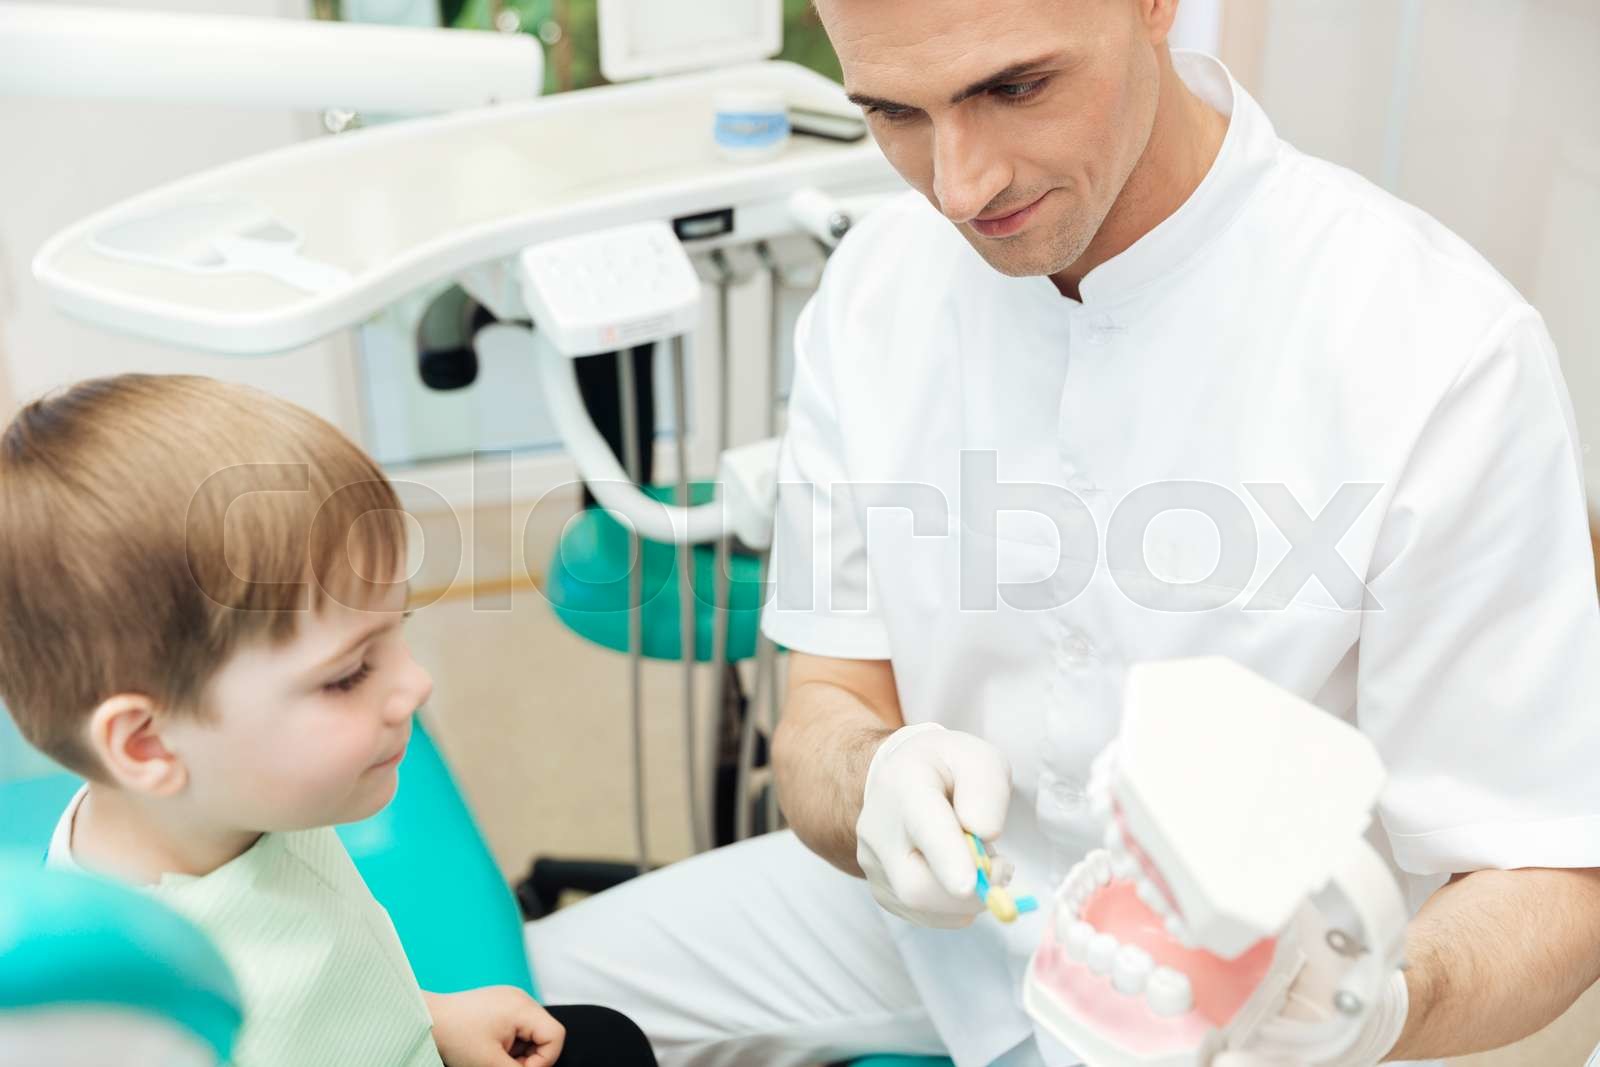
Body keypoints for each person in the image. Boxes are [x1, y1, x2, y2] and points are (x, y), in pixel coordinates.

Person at [528, 1, 1600, 1065]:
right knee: (506, 1011)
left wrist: (1374, 1003)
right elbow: (827, 705)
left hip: (1241, 1008)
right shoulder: (876, 288)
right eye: (896, 112)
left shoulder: (1437, 350)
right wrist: (871, 779)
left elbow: (1552, 873)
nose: (960, 184)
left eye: (1014, 88)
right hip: (931, 932)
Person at [0, 375, 657, 1067]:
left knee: (605, 1041)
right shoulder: (144, 1012)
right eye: (348, 673)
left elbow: (332, 964)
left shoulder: (223, 806)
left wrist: (428, 1017)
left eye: (395, 630)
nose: (416, 684)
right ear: (146, 742)